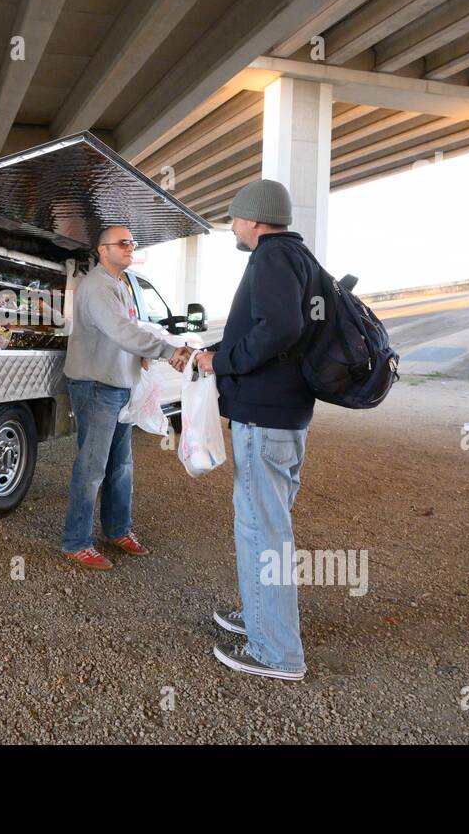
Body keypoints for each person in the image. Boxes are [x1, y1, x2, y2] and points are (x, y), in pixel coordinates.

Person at [194, 179, 321, 681]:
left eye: (234, 218)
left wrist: (221, 361)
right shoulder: (302, 258)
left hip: (264, 416)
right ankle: (263, 619)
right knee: (269, 522)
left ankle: (276, 652)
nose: (232, 227)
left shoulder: (269, 258)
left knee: (262, 530)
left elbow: (280, 328)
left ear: (253, 220)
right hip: (286, 414)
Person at [60, 225, 191, 570]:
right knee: (91, 468)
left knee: (121, 466)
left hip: (118, 386)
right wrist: (169, 349)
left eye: (132, 242)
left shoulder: (121, 284)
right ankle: (76, 542)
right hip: (96, 387)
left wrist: (141, 355)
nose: (130, 247)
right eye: (123, 243)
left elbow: (128, 334)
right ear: (103, 250)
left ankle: (117, 529)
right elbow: (122, 331)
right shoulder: (98, 286)